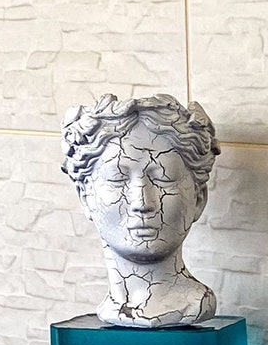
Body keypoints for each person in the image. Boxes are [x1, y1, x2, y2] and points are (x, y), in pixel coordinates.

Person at [61, 94, 220, 328]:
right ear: (86, 198)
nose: (142, 202)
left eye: (164, 178)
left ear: (198, 199)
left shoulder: (194, 305)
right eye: (117, 178)